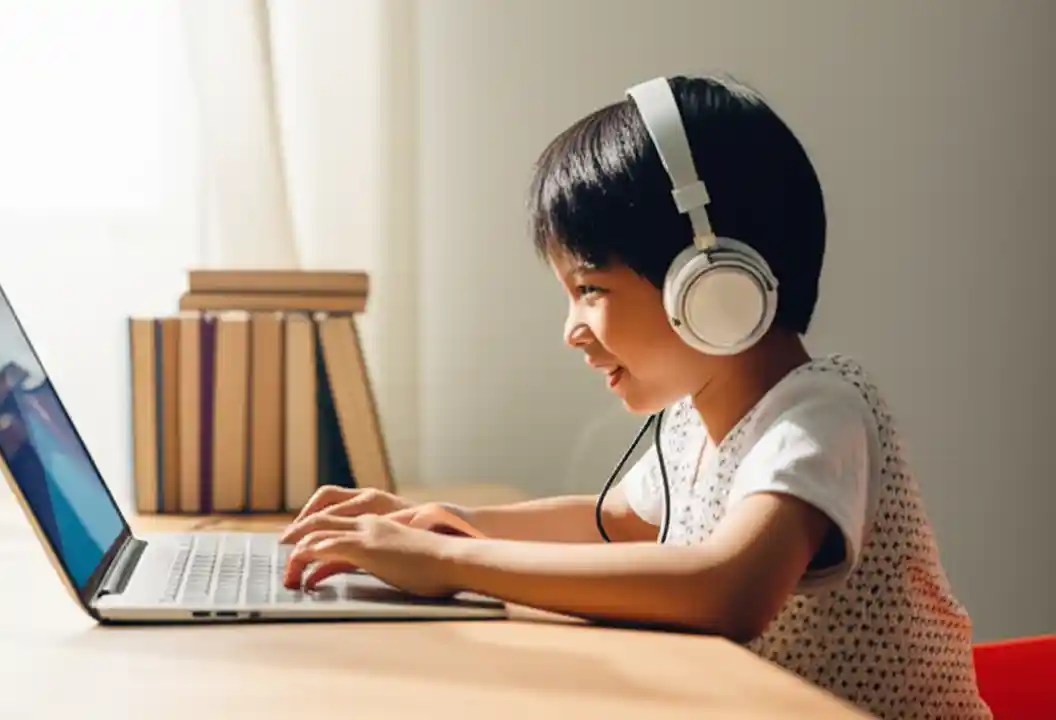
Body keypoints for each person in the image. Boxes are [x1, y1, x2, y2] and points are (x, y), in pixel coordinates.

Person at [278, 74, 990, 719]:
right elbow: (618, 522)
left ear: (710, 283)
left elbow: (729, 587)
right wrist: (440, 523)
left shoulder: (821, 412)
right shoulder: (694, 418)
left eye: (589, 290)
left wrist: (447, 565)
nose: (571, 331)